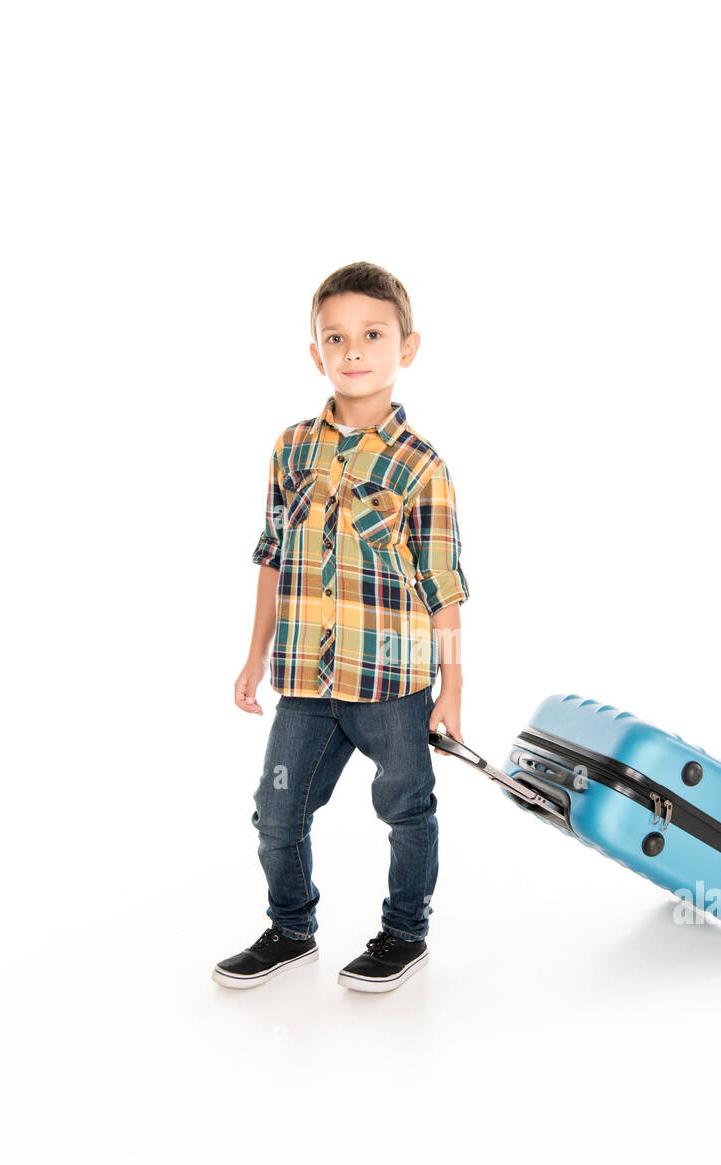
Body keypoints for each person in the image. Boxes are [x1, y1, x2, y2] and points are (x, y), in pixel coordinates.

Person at [212, 261, 470, 994]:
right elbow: (271, 555)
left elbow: (443, 586)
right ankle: (291, 928)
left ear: (406, 348)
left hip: (390, 683)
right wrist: (251, 657)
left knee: (407, 809)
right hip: (304, 682)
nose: (353, 350)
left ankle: (403, 933)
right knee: (276, 812)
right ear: (315, 353)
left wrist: (452, 689)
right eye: (335, 337)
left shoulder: (421, 467)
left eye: (371, 334)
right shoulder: (291, 449)